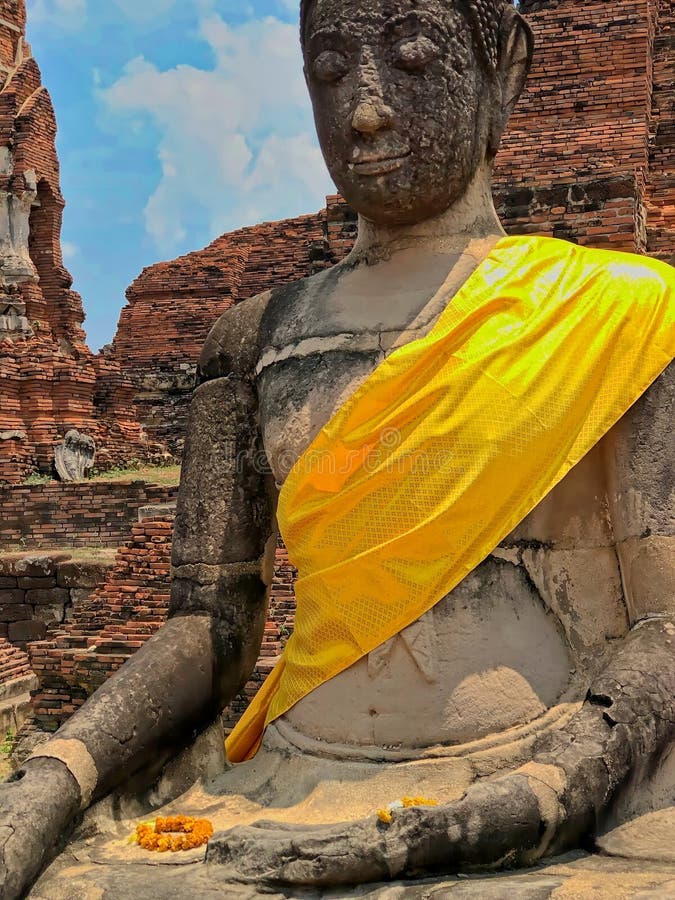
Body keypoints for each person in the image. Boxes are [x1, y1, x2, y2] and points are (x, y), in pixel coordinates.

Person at [2, 1, 673, 896]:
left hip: (527, 783)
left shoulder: (623, 317)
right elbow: (207, 626)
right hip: (277, 787)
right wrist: (51, 780)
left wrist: (524, 803)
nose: (364, 110)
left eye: (412, 60)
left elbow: (665, 626)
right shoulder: (253, 338)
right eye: (327, 70)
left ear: (505, 70)